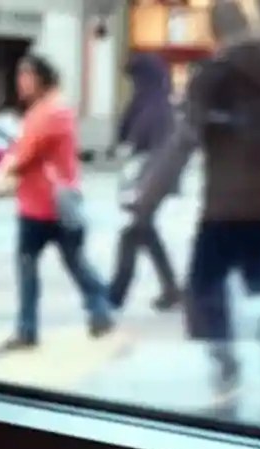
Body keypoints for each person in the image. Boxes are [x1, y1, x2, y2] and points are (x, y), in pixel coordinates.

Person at [128, 0, 260, 389]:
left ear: (215, 31)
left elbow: (184, 141)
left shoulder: (213, 77)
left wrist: (147, 199)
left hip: (228, 206)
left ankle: (225, 370)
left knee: (202, 289)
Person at [0, 54, 114, 350]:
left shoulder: (51, 112)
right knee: (70, 263)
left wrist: (4, 169)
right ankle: (99, 308)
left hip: (47, 206)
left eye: (26, 76)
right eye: (19, 76)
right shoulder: (47, 110)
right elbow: (25, 148)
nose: (20, 83)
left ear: (41, 78)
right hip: (50, 204)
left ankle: (29, 329)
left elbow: (27, 153)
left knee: (38, 267)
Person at [109, 53, 182, 312]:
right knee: (145, 233)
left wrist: (147, 188)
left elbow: (159, 150)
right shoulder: (149, 103)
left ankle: (116, 294)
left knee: (133, 234)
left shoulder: (156, 107)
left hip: (151, 182)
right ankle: (171, 289)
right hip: (148, 181)